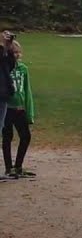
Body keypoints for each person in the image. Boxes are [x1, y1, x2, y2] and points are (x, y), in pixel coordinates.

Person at [3, 39, 35, 179]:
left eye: (18, 52)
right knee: (7, 137)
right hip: (7, 107)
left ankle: (18, 166)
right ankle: (8, 167)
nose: (16, 55)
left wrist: (29, 110)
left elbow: (27, 90)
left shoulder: (23, 69)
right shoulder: (4, 69)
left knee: (25, 136)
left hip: (20, 108)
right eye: (13, 52)